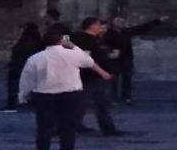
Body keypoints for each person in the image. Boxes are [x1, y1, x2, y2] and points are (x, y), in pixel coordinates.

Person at [19, 21, 110, 150]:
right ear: (62, 41)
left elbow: (27, 79)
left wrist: (24, 95)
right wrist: (73, 46)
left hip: (45, 94)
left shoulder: (35, 58)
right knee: (68, 128)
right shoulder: (73, 54)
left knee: (44, 128)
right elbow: (88, 61)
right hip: (70, 94)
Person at [73, 16, 124, 136]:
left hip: (93, 76)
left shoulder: (94, 39)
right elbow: (86, 59)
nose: (100, 27)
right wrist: (103, 72)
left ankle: (74, 125)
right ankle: (107, 128)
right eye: (98, 25)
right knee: (97, 104)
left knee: (86, 104)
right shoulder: (85, 39)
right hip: (91, 76)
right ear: (91, 26)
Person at [6, 22, 44, 112]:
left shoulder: (25, 41)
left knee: (14, 83)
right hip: (32, 66)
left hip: (21, 65)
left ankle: (11, 104)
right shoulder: (37, 40)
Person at [107, 17, 135, 104]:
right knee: (114, 79)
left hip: (126, 57)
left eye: (122, 22)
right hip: (114, 58)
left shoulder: (126, 32)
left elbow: (142, 28)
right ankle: (113, 97)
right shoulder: (108, 32)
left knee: (127, 78)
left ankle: (126, 96)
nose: (121, 24)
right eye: (119, 22)